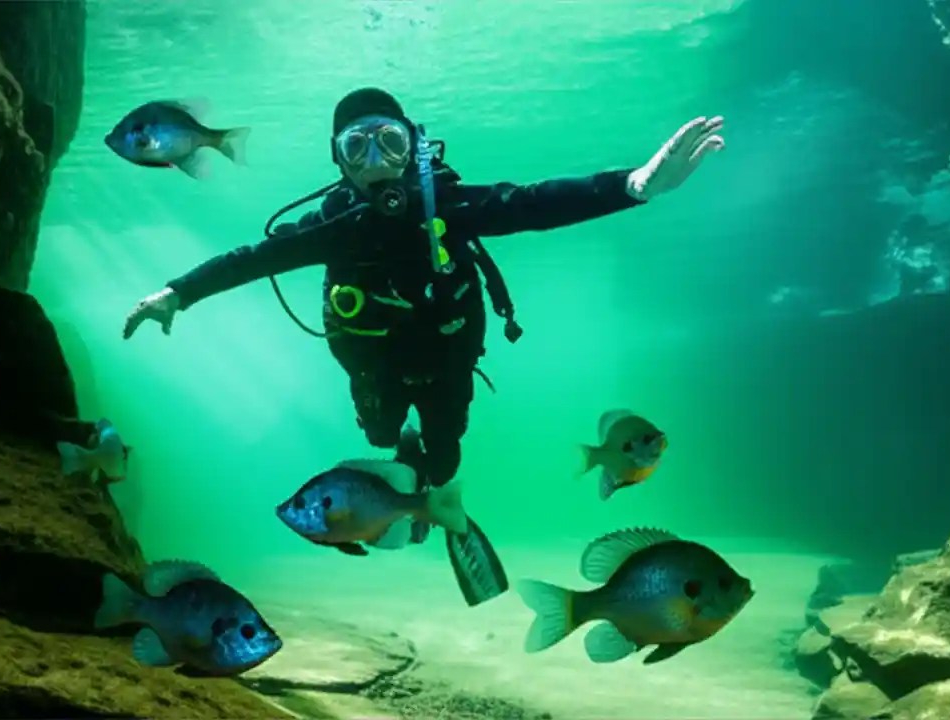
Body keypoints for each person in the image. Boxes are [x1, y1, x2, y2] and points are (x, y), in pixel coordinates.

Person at [122, 88, 725, 605]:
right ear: (339, 162)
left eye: (388, 141)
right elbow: (254, 259)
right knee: (382, 440)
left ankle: (429, 487)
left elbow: (535, 203)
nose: (376, 160)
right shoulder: (336, 227)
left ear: (413, 145)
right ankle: (403, 466)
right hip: (374, 372)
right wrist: (178, 292)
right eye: (356, 147)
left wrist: (634, 185)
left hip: (446, 366)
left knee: (443, 463)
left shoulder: (452, 208)